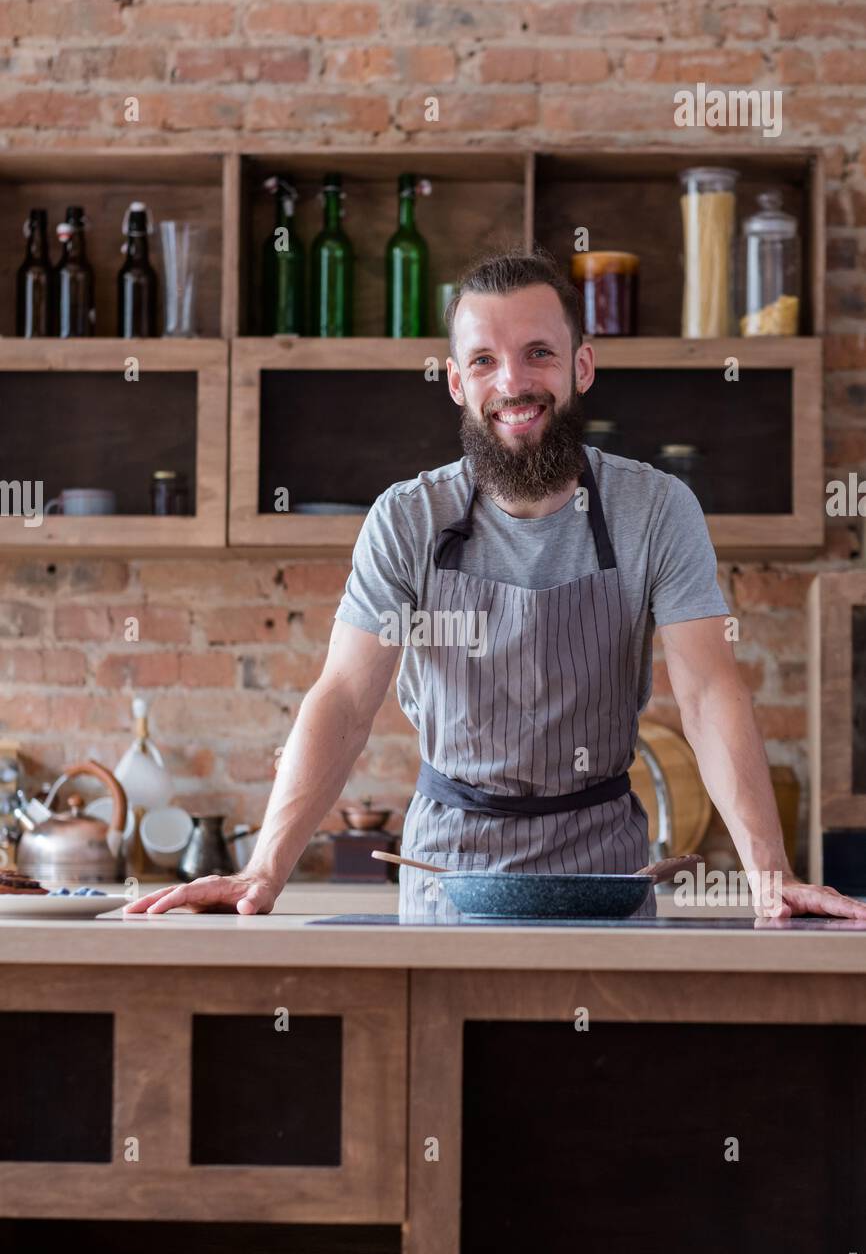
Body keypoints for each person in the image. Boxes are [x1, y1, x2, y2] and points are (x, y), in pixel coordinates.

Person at [127, 250, 865, 921]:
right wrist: (263, 869)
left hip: (603, 871)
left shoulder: (656, 509)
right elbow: (345, 699)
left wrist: (770, 874)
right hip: (447, 871)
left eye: (538, 353)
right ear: (456, 382)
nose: (513, 383)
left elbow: (708, 694)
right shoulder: (408, 519)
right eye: (484, 360)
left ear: (581, 366)